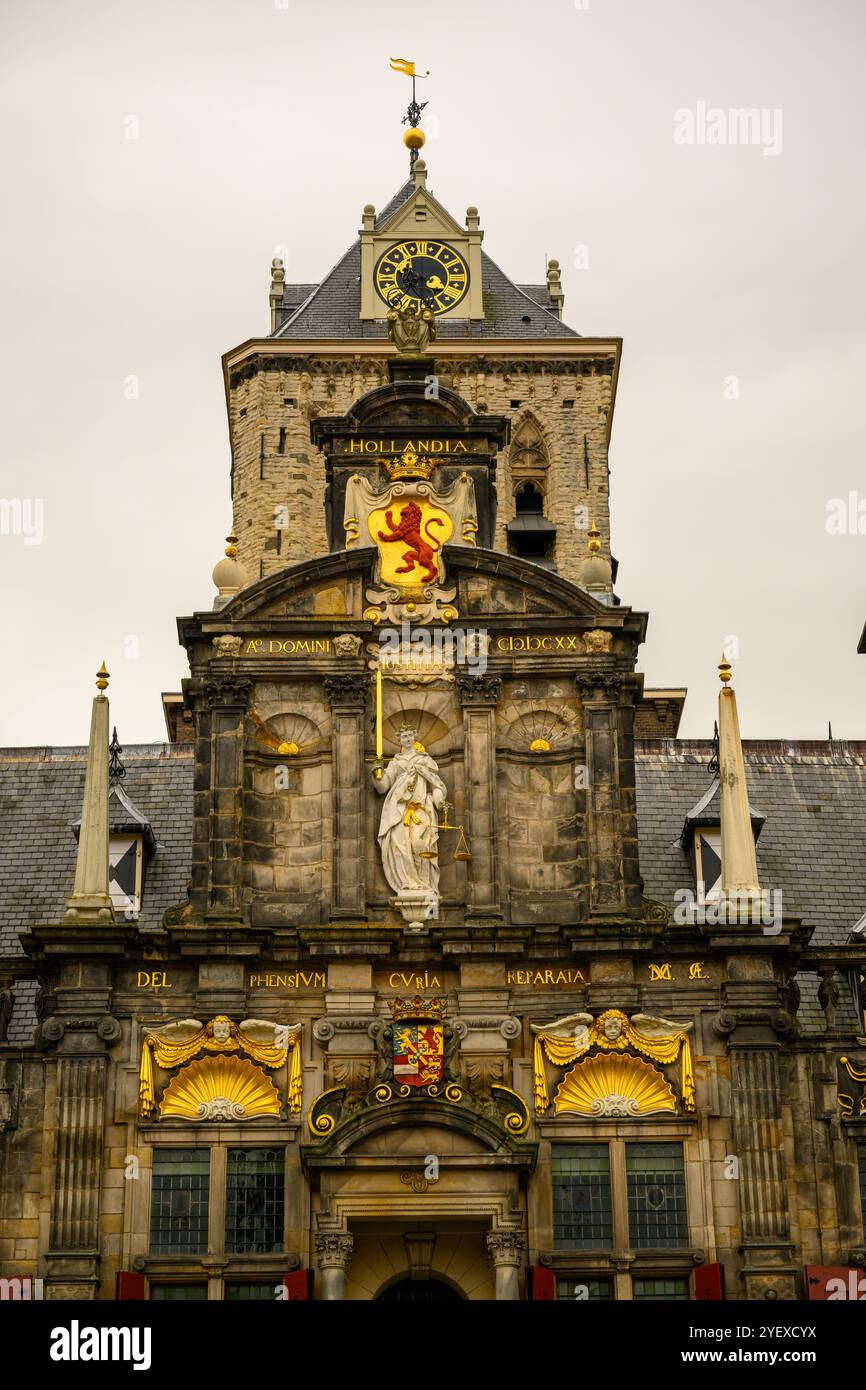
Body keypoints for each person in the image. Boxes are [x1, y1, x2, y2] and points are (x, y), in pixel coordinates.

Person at [374, 725, 447, 896]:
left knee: (419, 844)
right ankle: (407, 884)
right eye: (404, 736)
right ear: (399, 740)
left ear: (414, 737)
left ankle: (424, 884)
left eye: (410, 735)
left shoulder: (425, 761)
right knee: (400, 847)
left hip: (420, 810)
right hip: (398, 811)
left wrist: (438, 800)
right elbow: (382, 788)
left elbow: (437, 786)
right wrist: (376, 774)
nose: (407, 739)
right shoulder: (396, 763)